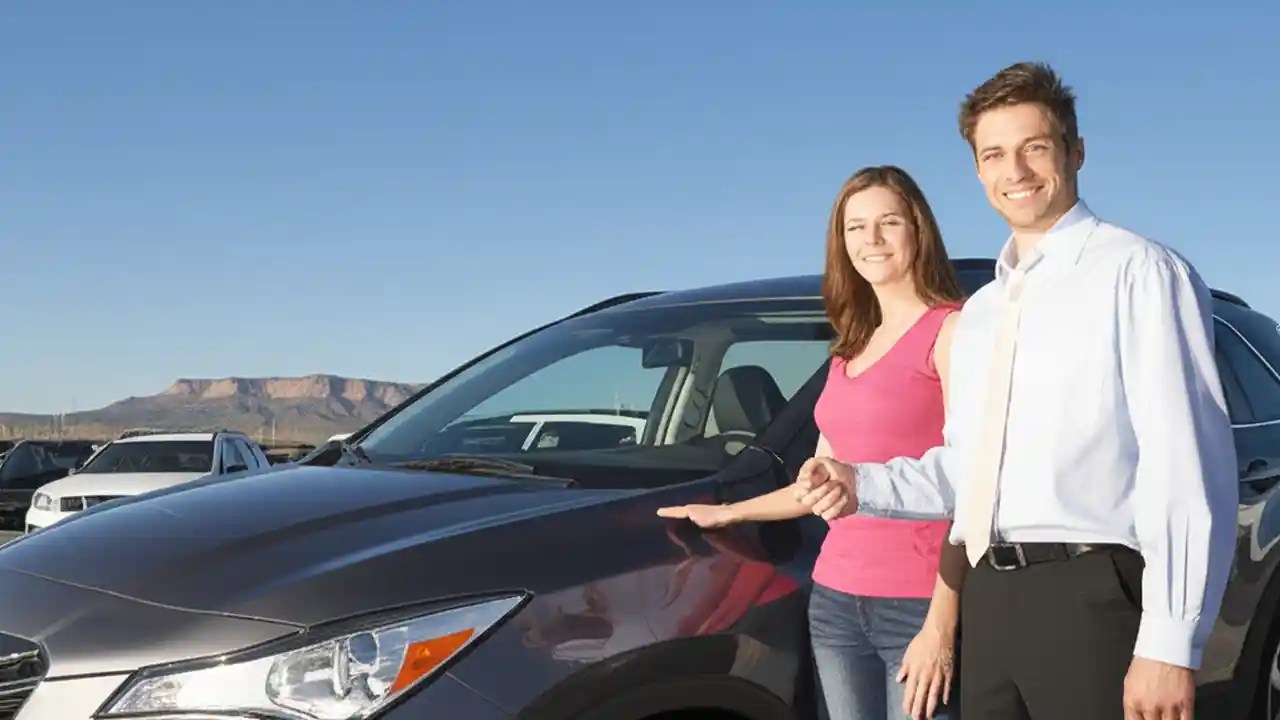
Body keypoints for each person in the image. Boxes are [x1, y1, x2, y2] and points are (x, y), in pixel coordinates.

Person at [793, 61, 1238, 720]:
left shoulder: (1136, 272)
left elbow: (1186, 463)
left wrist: (1170, 644)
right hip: (992, 598)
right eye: (995, 154)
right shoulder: (984, 313)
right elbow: (967, 472)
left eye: (1036, 148)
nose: (1017, 171)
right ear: (977, 171)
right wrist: (860, 483)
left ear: (1075, 151)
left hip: (1092, 596)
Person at [659, 164, 968, 720]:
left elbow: (974, 484)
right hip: (835, 599)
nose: (871, 240)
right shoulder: (851, 348)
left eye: (888, 222)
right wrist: (726, 514)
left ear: (918, 231)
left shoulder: (952, 332)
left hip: (919, 603)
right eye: (855, 227)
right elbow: (821, 479)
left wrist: (942, 627)